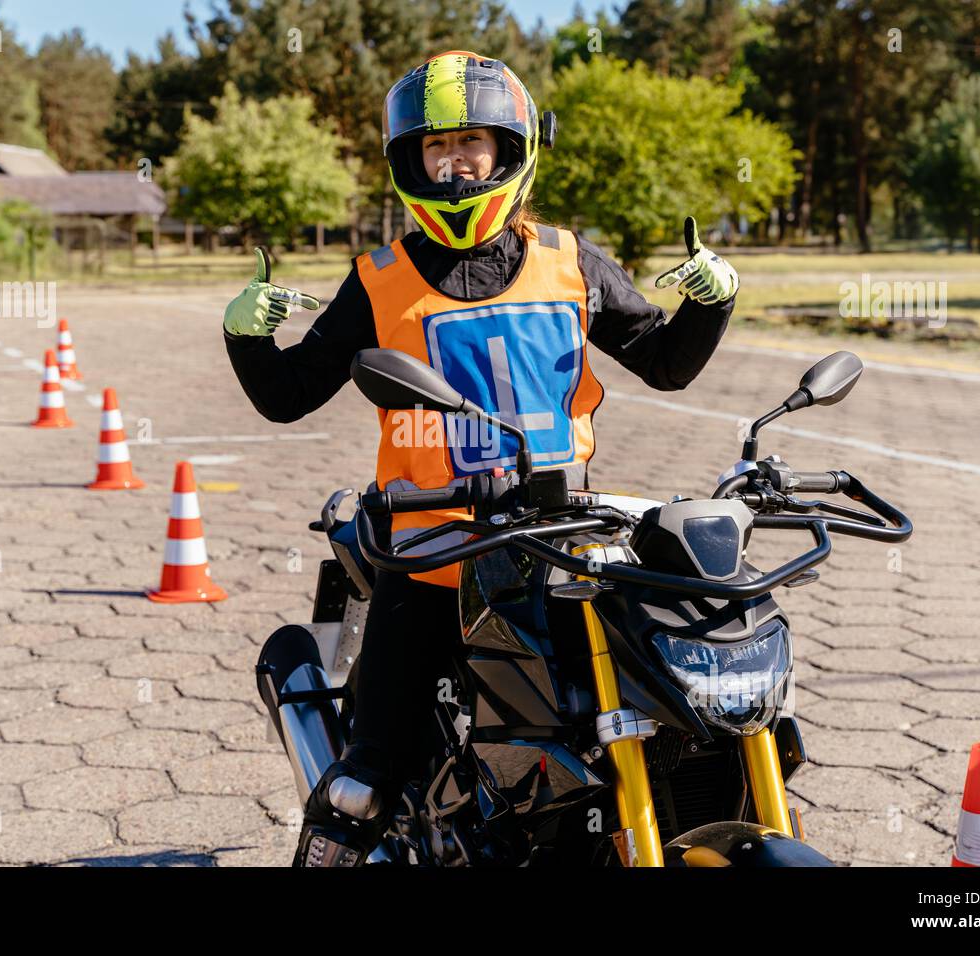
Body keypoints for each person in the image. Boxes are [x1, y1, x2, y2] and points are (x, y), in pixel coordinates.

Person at [222, 50, 740, 866]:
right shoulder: (379, 278)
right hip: (432, 549)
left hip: (563, 544)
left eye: (471, 142)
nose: (453, 161)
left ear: (512, 149)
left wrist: (712, 305)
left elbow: (665, 362)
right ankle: (332, 842)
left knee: (640, 713)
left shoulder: (571, 261)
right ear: (408, 162)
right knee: (368, 779)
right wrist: (246, 336)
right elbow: (288, 394)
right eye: (434, 147)